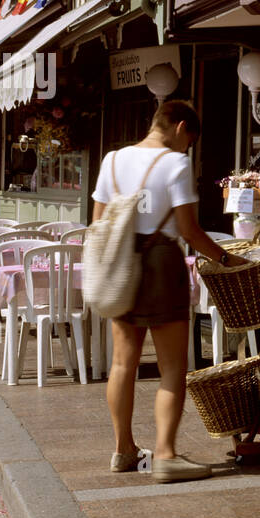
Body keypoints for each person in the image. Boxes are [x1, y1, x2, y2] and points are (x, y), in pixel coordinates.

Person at [91, 101, 238, 484]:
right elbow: (189, 231)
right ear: (181, 127)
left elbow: (98, 221)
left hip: (122, 261)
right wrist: (226, 259)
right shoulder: (176, 164)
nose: (186, 149)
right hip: (160, 262)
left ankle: (123, 449)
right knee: (173, 367)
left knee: (123, 363)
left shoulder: (112, 160)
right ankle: (166, 455)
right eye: (188, 141)